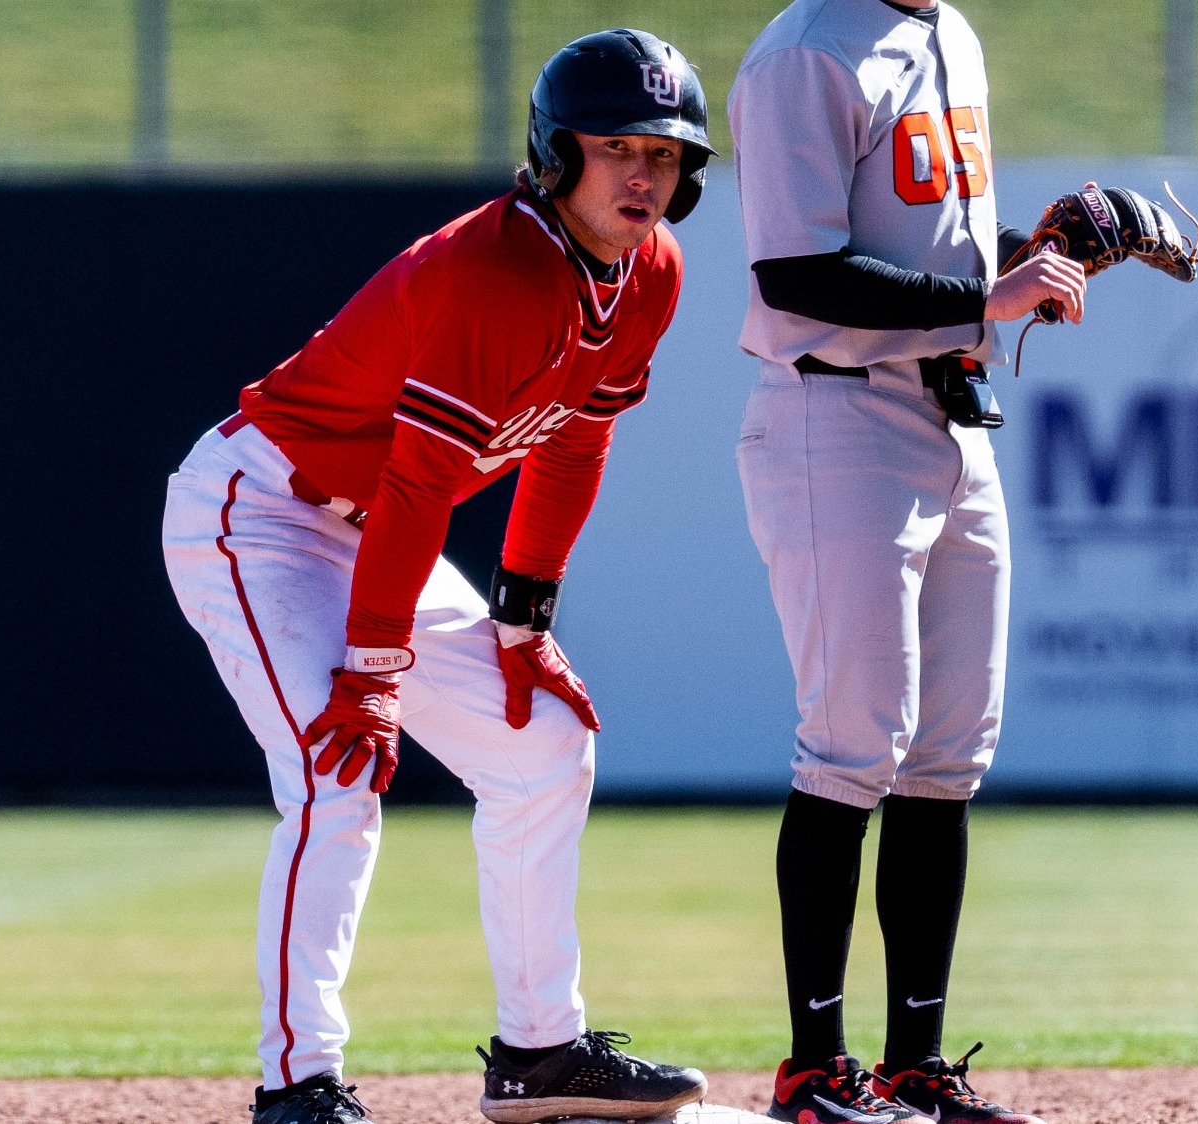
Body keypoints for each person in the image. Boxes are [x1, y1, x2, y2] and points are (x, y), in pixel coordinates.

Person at [162, 28, 715, 1124]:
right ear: (556, 154)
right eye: (615, 147)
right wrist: (371, 675)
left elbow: (574, 442)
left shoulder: (651, 270)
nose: (643, 173)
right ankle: (297, 1082)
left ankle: (539, 1053)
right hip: (259, 512)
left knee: (544, 744)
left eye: (663, 152)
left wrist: (523, 621)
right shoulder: (493, 270)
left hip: (373, 531)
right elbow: (419, 483)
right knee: (336, 769)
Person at [728, 2, 1092, 1123]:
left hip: (950, 413)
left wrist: (1029, 257)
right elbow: (796, 271)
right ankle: (814, 1069)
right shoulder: (807, 51)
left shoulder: (954, 33)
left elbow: (924, 242)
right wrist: (986, 298)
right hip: (834, 413)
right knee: (851, 745)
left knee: (947, 753)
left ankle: (914, 1067)